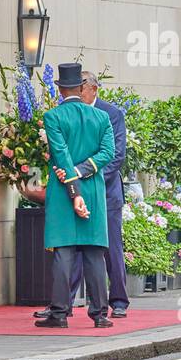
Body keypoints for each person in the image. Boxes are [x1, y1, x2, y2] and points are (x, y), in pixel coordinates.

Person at [34, 62, 116, 330]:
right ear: (82, 89)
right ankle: (100, 315)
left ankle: (59, 314)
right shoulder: (101, 118)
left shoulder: (54, 117)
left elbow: (61, 155)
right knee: (94, 253)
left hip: (62, 189)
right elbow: (107, 153)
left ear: (60, 90)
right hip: (93, 188)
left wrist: (72, 187)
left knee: (64, 252)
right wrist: (84, 173)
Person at [71, 71, 130, 317]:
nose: (77, 93)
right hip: (77, 190)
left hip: (105, 191)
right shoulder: (71, 112)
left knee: (111, 249)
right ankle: (63, 303)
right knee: (71, 247)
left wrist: (88, 181)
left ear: (93, 89)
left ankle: (118, 301)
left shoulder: (112, 114)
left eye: (81, 88)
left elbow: (116, 156)